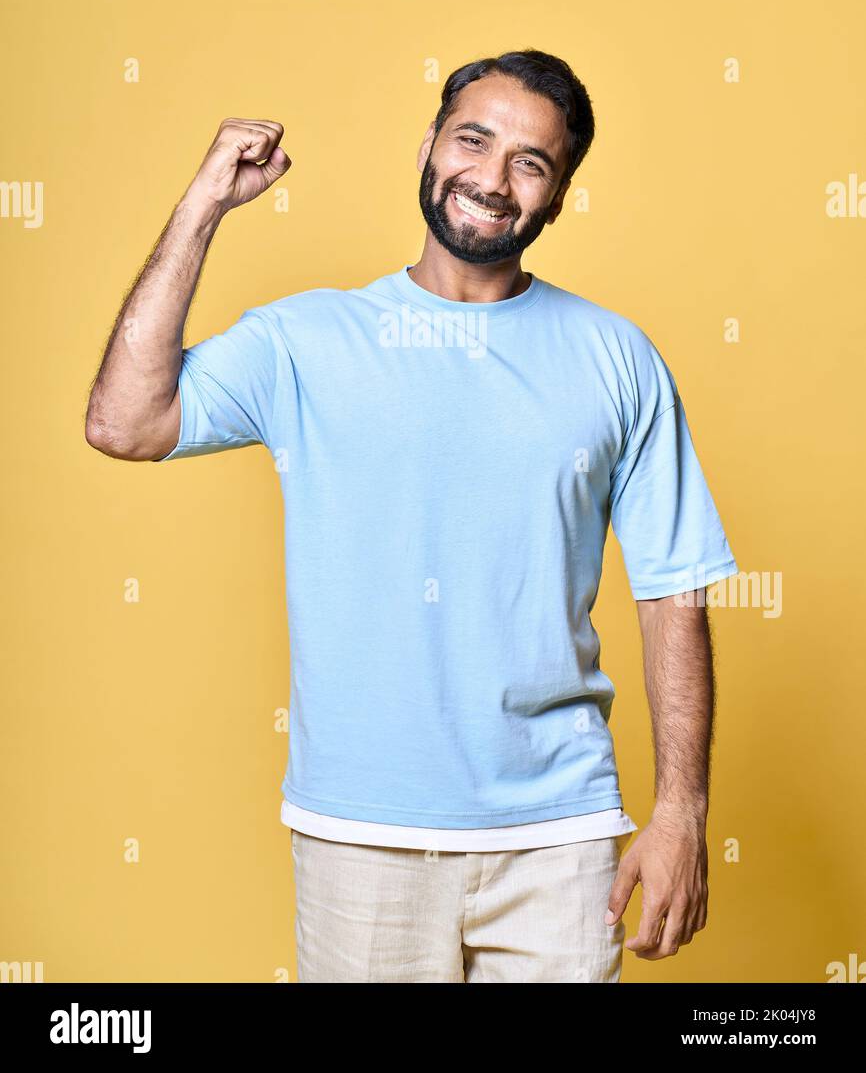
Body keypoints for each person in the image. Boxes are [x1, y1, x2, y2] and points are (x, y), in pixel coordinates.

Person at [85, 48, 738, 983]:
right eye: (474, 140)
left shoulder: (616, 358)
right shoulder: (306, 340)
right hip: (360, 835)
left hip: (562, 838)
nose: (494, 179)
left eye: (532, 163)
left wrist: (683, 811)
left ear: (557, 199)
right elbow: (123, 421)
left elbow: (675, 590)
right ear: (429, 146)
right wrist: (202, 209)